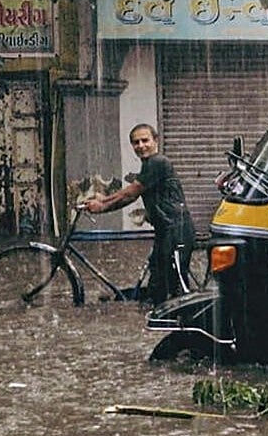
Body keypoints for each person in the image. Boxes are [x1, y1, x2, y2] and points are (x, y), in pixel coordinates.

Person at [84, 123, 196, 306]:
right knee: (158, 284)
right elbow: (127, 199)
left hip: (176, 231)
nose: (141, 146)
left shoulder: (158, 162)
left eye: (145, 140)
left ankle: (185, 323)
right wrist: (103, 205)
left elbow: (131, 192)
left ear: (156, 141)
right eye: (136, 142)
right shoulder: (148, 166)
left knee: (174, 288)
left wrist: (103, 203)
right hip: (165, 231)